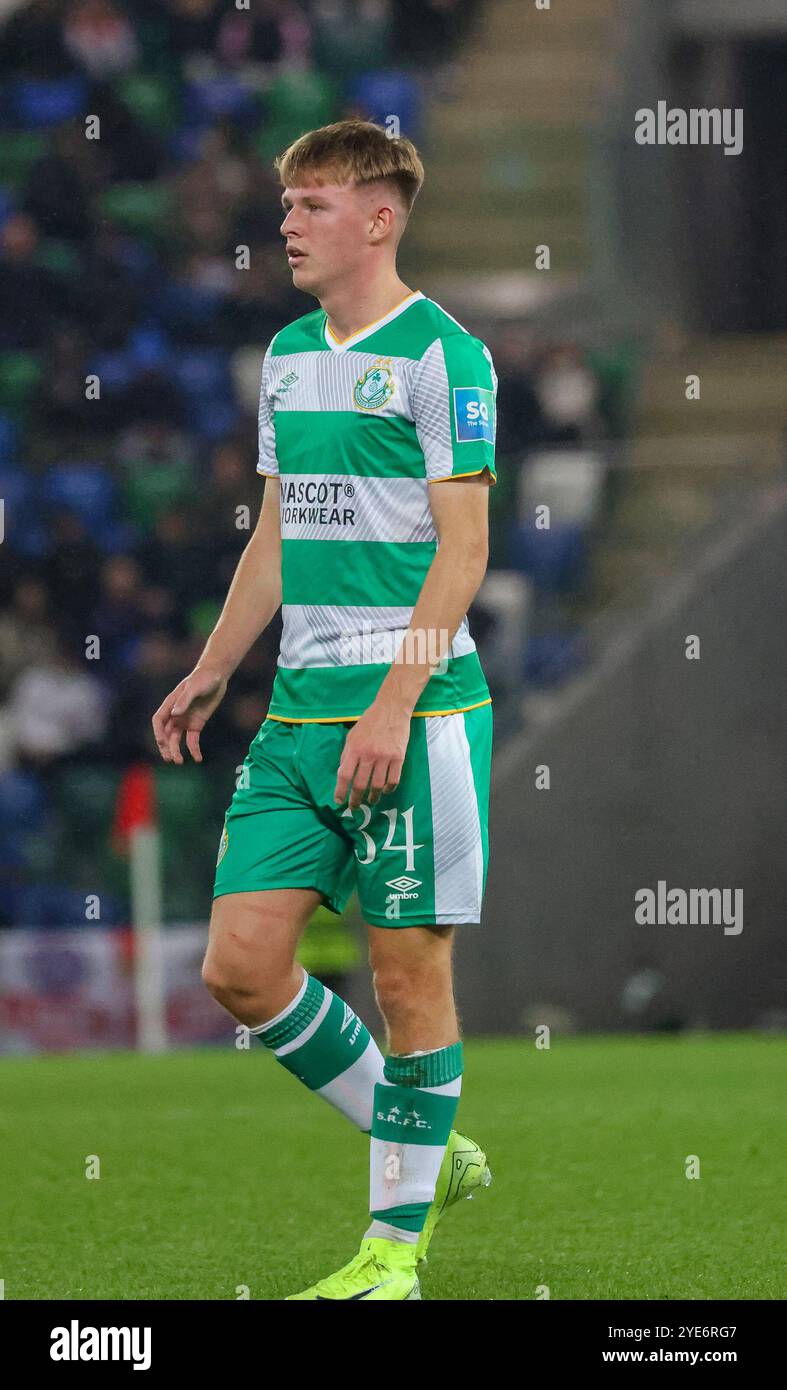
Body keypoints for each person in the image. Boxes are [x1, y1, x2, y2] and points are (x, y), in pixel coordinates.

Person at [152, 118, 497, 1302]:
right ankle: (424, 1151)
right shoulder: (289, 356)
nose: (286, 222)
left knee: (407, 979)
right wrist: (211, 665)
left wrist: (395, 704)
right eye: (287, 203)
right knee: (241, 968)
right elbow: (279, 531)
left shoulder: (444, 357)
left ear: (378, 218)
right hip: (299, 714)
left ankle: (391, 1257)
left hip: (418, 711)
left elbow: (463, 557)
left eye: (310, 205)